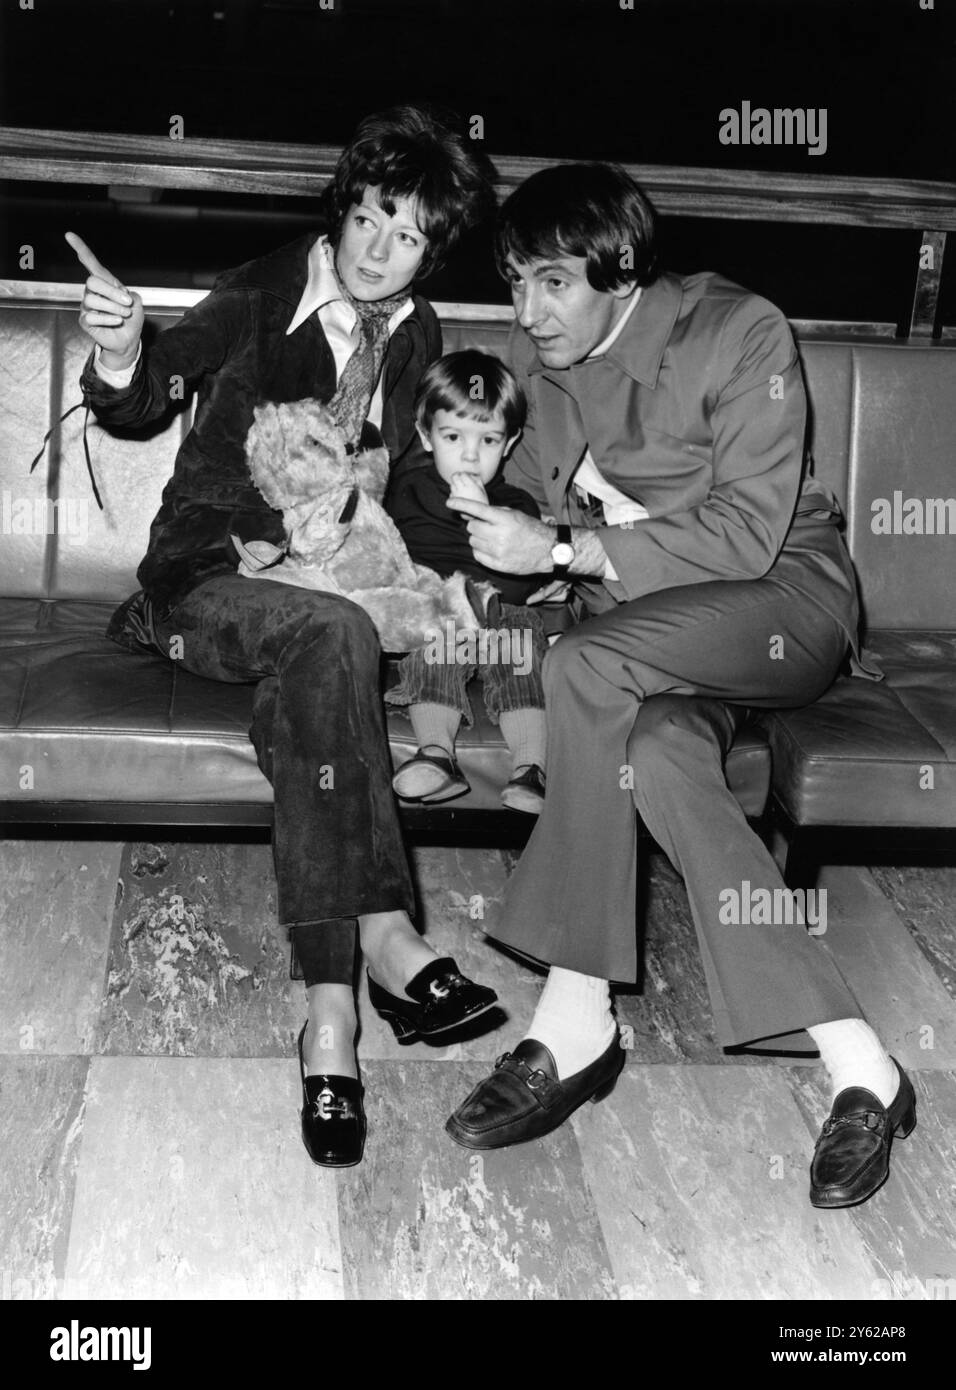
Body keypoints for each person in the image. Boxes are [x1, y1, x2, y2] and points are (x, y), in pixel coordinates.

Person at [443, 162, 916, 1210]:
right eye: (515, 283)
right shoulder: (537, 353)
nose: (527, 312)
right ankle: (860, 1065)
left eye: (552, 283)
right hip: (651, 632)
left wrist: (566, 550)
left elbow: (749, 532)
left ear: (618, 271)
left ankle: (571, 1020)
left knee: (585, 663)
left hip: (781, 604)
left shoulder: (739, 331)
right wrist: (457, 493)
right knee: (649, 749)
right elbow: (513, 481)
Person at [68, 105, 500, 1170]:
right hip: (204, 578)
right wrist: (124, 356)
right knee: (329, 630)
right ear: (343, 205)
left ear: (430, 252)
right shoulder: (265, 291)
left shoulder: (419, 334)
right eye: (370, 217)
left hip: (325, 600)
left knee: (330, 646)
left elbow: (409, 488)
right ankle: (383, 945)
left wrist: (479, 551)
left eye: (407, 237)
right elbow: (155, 387)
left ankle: (327, 1025)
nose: (378, 250)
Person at [385, 349, 551, 813]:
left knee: (523, 646)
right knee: (430, 642)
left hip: (500, 618)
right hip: (439, 616)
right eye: (454, 436)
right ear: (426, 435)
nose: (471, 455)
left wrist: (486, 512)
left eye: (490, 440)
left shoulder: (517, 506)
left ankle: (530, 770)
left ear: (511, 442)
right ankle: (435, 754)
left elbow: (520, 584)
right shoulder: (406, 490)